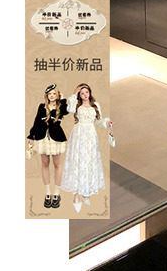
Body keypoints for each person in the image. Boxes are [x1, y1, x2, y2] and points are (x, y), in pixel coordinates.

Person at [60, 82, 112, 213]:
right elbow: (70, 109)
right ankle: (76, 195)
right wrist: (74, 93)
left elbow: (98, 121)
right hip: (79, 135)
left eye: (86, 92)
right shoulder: (76, 105)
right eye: (82, 93)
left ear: (90, 92)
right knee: (79, 162)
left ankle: (86, 193)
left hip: (91, 136)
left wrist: (107, 123)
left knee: (89, 162)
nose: (84, 95)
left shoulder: (96, 105)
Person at [26, 84, 69, 209]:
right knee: (44, 164)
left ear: (58, 95)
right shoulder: (42, 106)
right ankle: (48, 193)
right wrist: (31, 136)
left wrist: (62, 99)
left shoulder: (61, 107)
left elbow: (67, 109)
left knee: (57, 165)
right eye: (49, 94)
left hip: (56, 139)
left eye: (54, 93)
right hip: (42, 138)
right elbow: (36, 122)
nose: (52, 96)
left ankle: (57, 194)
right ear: (46, 95)